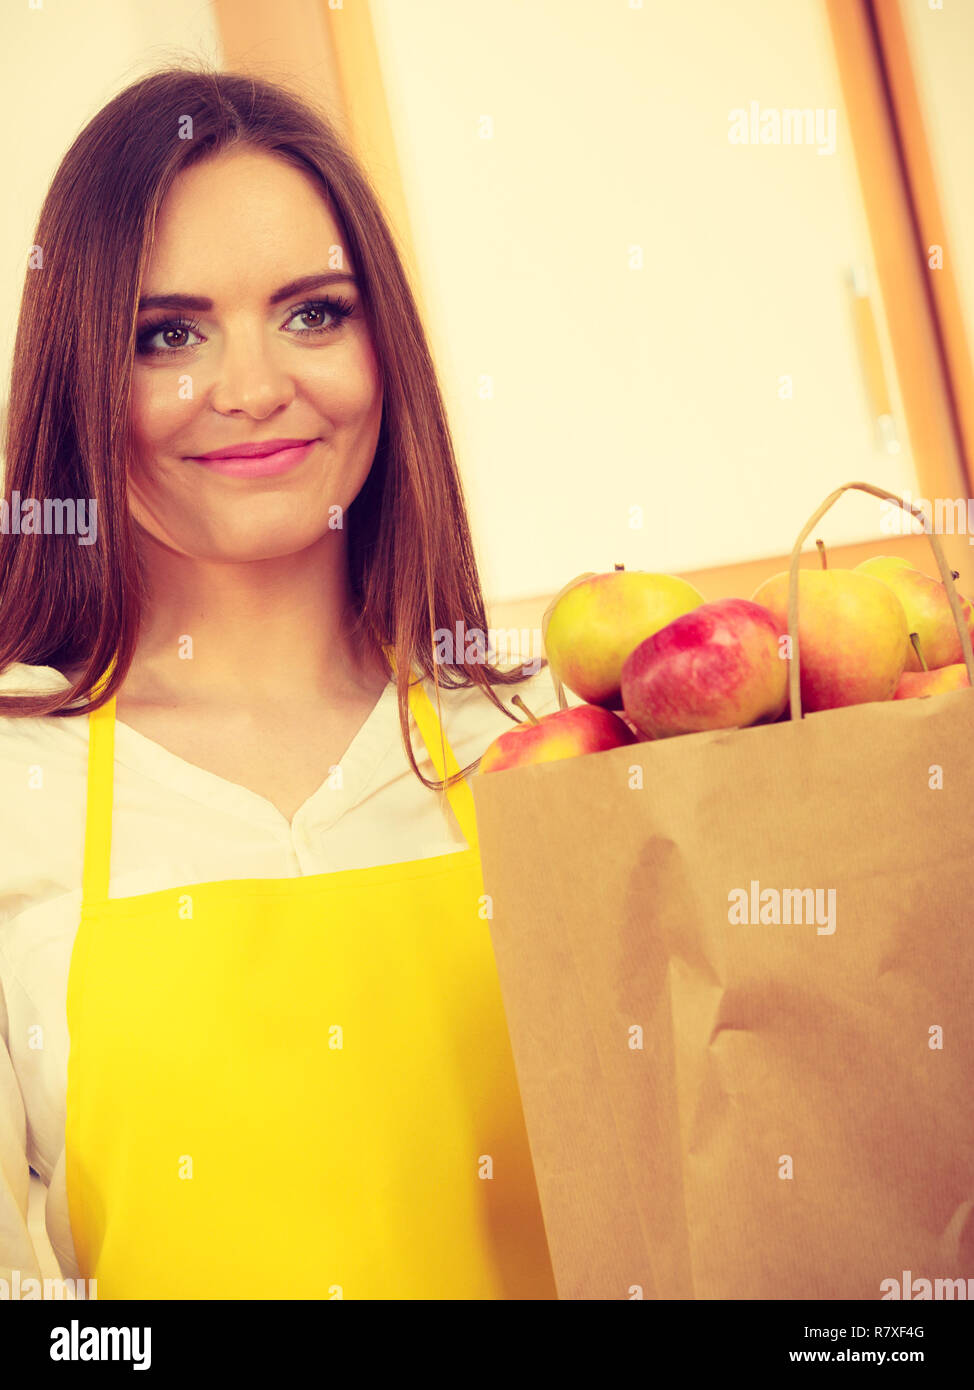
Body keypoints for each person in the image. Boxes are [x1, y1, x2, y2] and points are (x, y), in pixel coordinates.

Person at [0, 68, 560, 1300]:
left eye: (312, 313)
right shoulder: (14, 791)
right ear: (82, 372)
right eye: (168, 333)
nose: (252, 388)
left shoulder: (534, 740)